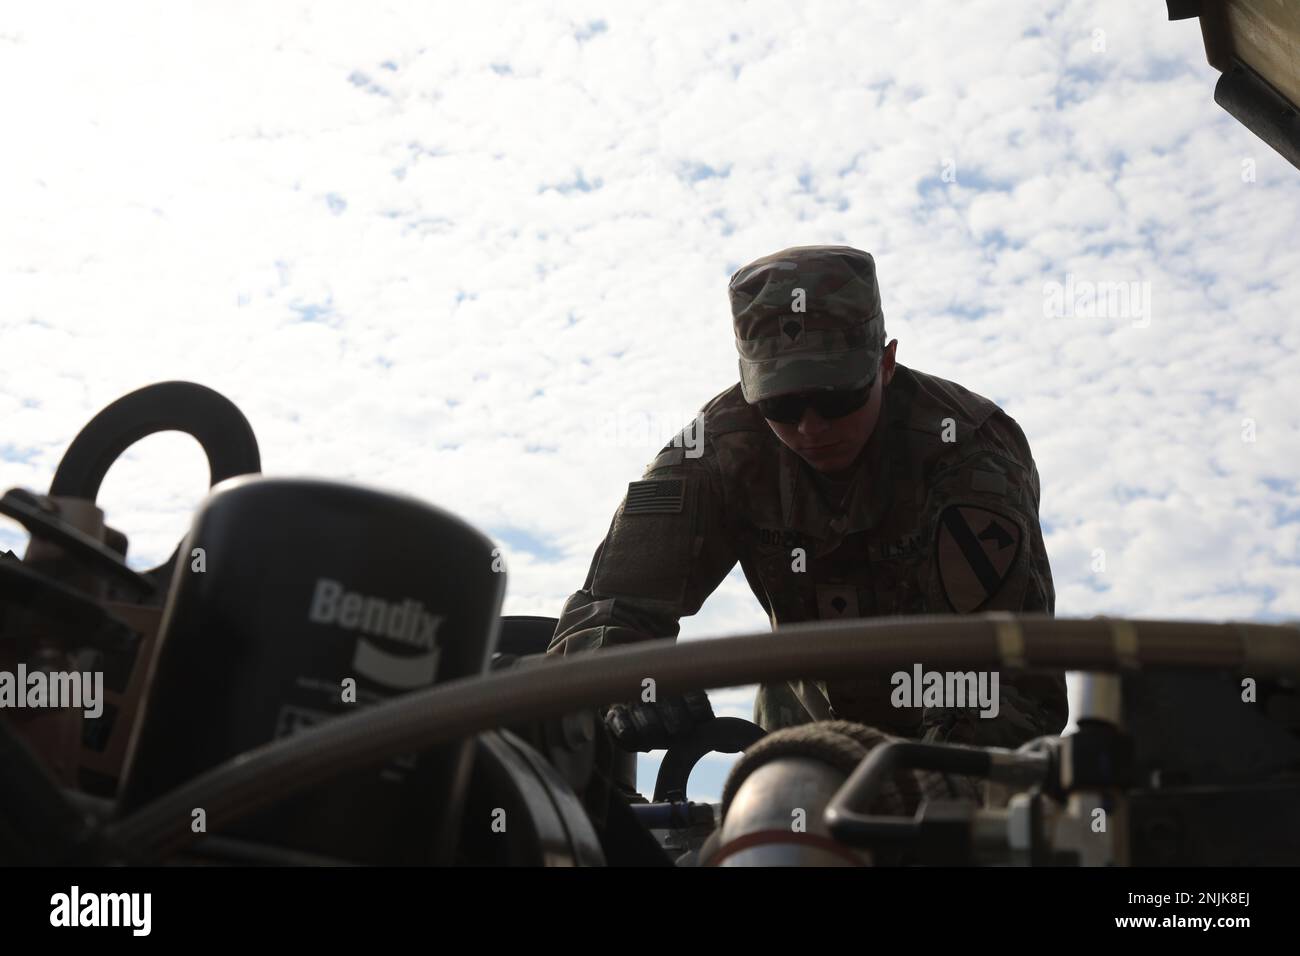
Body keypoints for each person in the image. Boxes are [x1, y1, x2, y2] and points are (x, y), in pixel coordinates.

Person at [547, 245, 1066, 750]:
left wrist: (929, 790)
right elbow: (610, 611)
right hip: (796, 744)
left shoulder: (970, 452)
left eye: (836, 398)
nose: (810, 427)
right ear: (749, 387)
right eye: (782, 403)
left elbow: (999, 674)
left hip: (959, 742)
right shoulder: (716, 451)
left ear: (885, 365)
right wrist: (631, 675)